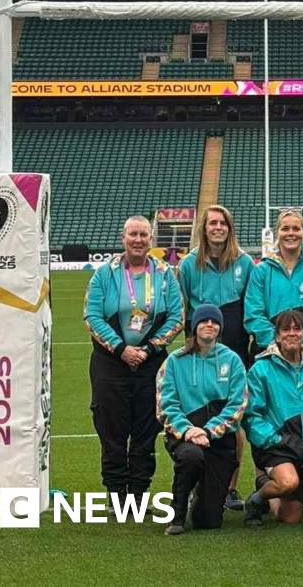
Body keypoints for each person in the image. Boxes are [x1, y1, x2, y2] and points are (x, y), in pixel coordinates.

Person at [83, 215, 183, 505]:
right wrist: (120, 348)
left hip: (150, 363)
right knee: (110, 428)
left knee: (146, 429)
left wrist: (149, 349)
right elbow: (92, 316)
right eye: (132, 234)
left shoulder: (165, 273)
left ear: (151, 240)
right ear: (122, 237)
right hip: (110, 363)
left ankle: (138, 495)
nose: (138, 240)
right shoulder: (105, 273)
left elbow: (177, 317)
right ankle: (116, 493)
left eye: (143, 235)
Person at [177, 204, 254, 511]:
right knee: (199, 412)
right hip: (200, 345)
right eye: (212, 223)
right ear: (204, 228)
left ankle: (231, 487)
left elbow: (252, 303)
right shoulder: (188, 265)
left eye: (223, 223)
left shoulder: (245, 263)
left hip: (235, 346)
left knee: (233, 418)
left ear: (229, 228)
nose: (218, 227)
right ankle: (200, 482)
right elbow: (183, 307)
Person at [157, 304, 249, 535]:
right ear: (194, 327)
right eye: (204, 321)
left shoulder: (233, 360)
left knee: (208, 521)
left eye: (215, 322)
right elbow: (165, 405)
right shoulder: (175, 361)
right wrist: (188, 431)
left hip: (219, 440)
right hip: (185, 436)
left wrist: (208, 431)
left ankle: (201, 497)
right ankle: (176, 514)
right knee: (191, 456)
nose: (210, 325)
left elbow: (238, 405)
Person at [242, 310, 303, 527]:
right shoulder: (261, 369)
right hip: (277, 445)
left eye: (297, 329)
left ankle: (264, 484)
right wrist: (275, 440)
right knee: (288, 482)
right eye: (285, 329)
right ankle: (255, 500)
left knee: (289, 517)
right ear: (276, 336)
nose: (291, 334)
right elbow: (251, 416)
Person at [245, 208, 303, 359]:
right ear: (277, 233)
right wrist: (276, 343)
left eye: (296, 228)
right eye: (285, 228)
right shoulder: (261, 271)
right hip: (269, 352)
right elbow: (253, 313)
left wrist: (300, 343)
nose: (291, 233)